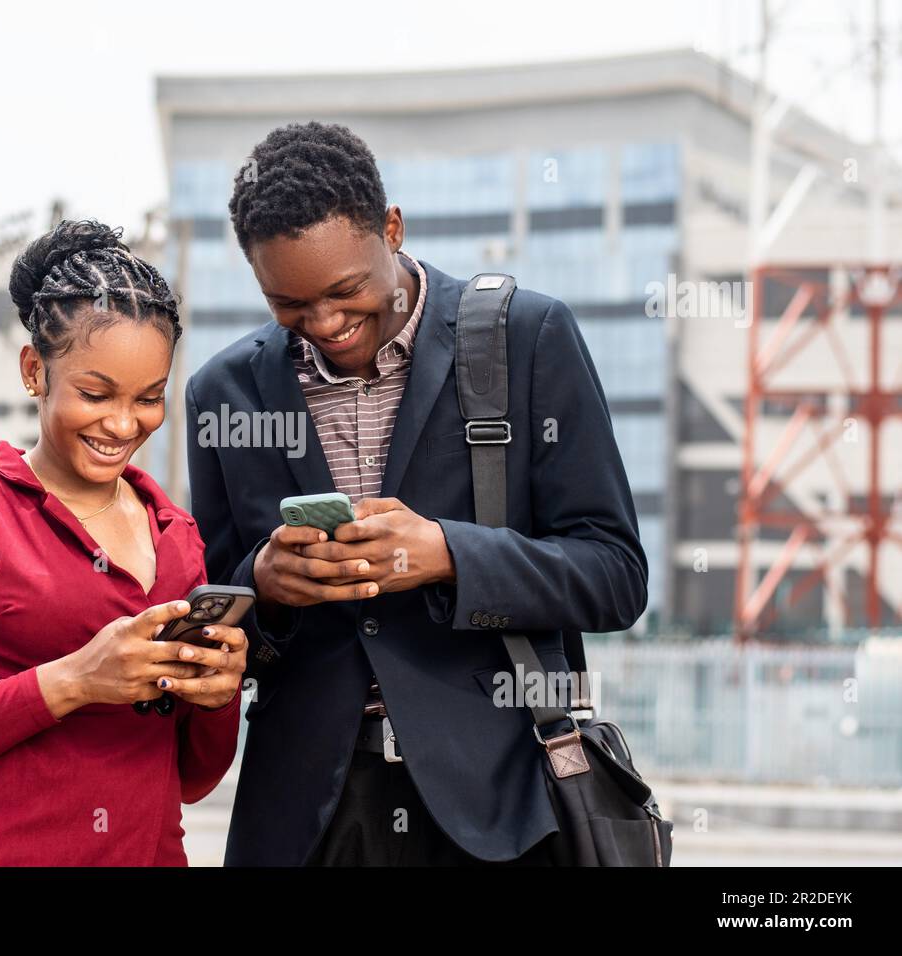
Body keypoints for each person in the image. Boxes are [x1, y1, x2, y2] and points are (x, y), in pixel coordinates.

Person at [185, 122, 647, 866]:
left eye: (345, 292)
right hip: (307, 821)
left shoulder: (526, 339)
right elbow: (215, 615)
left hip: (501, 808)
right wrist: (265, 588)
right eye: (291, 307)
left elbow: (616, 575)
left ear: (392, 228)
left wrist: (450, 556)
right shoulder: (223, 393)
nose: (326, 324)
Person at [0, 219, 246, 866]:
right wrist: (71, 682)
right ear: (35, 370)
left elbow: (194, 779)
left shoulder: (178, 536)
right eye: (95, 394)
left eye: (150, 399)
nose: (123, 423)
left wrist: (218, 696)